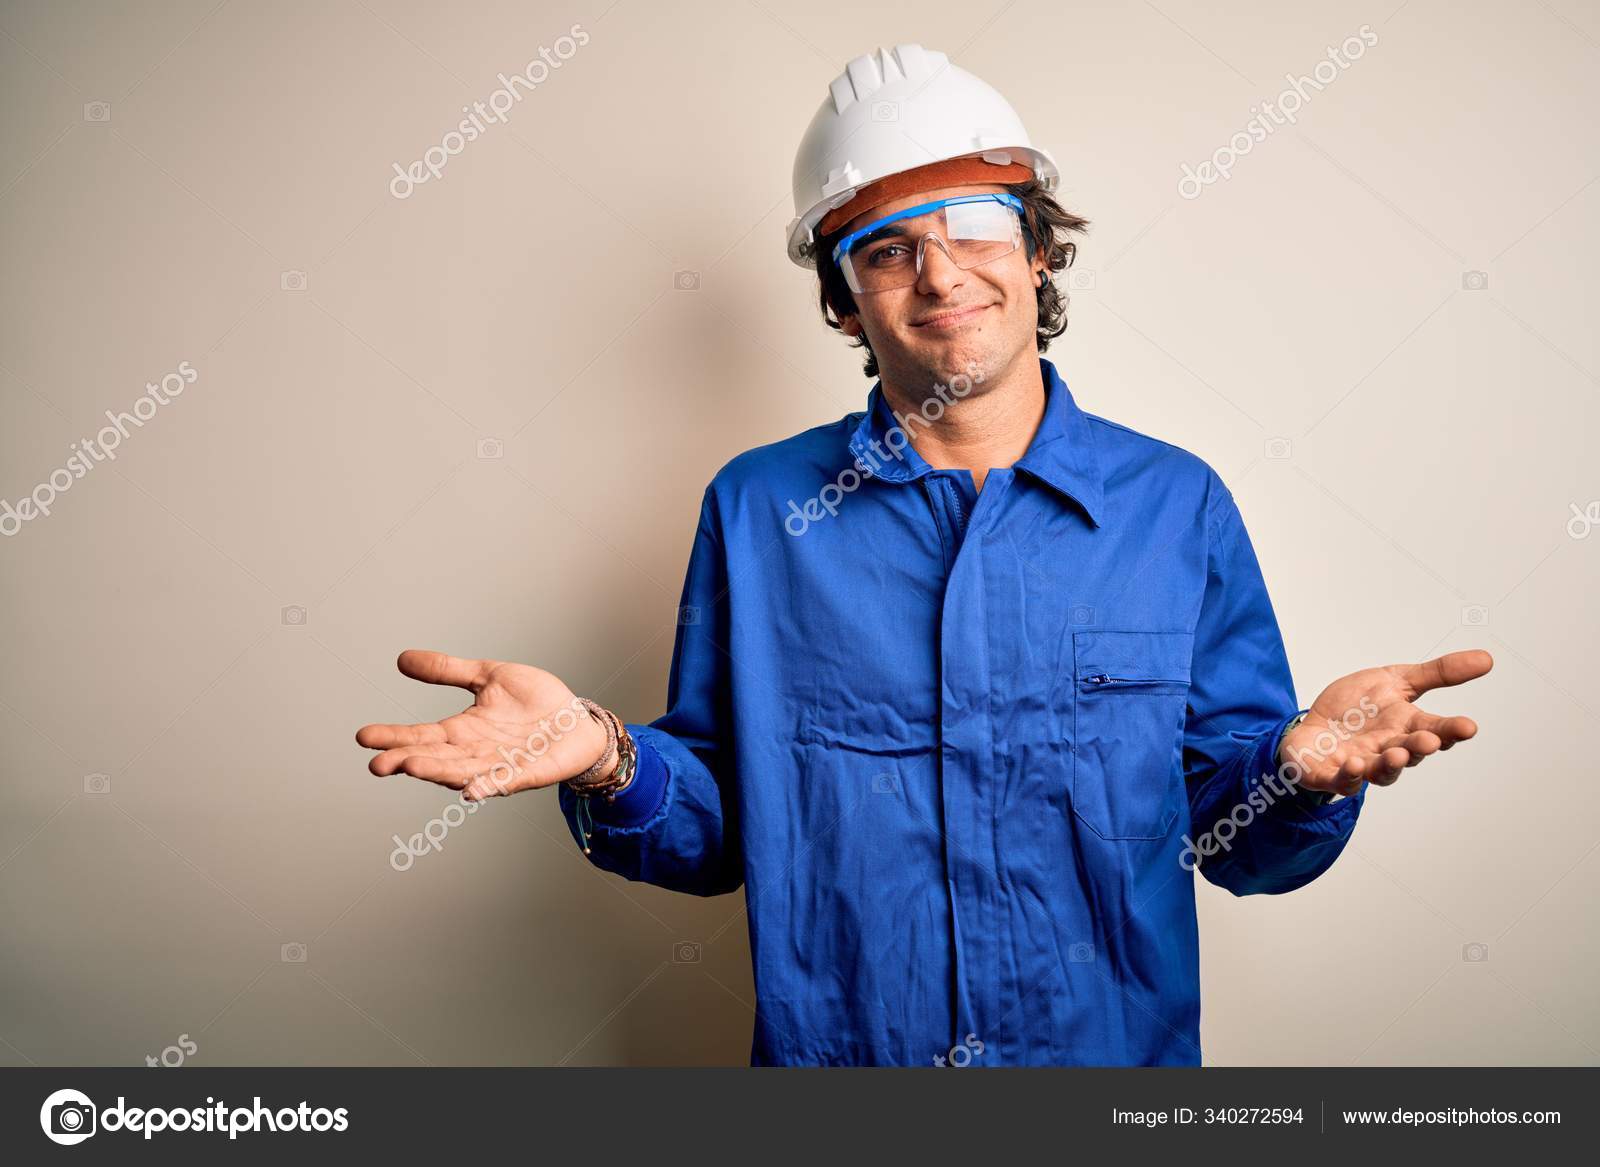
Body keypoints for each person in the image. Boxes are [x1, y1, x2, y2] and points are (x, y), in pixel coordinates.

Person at [356, 43, 1491, 1066]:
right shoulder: (760, 510)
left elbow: (1239, 847)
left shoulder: (1174, 505)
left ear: (1037, 253)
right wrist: (603, 756)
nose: (942, 275)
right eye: (888, 250)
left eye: (976, 227)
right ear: (845, 303)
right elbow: (719, 835)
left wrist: (1295, 770)